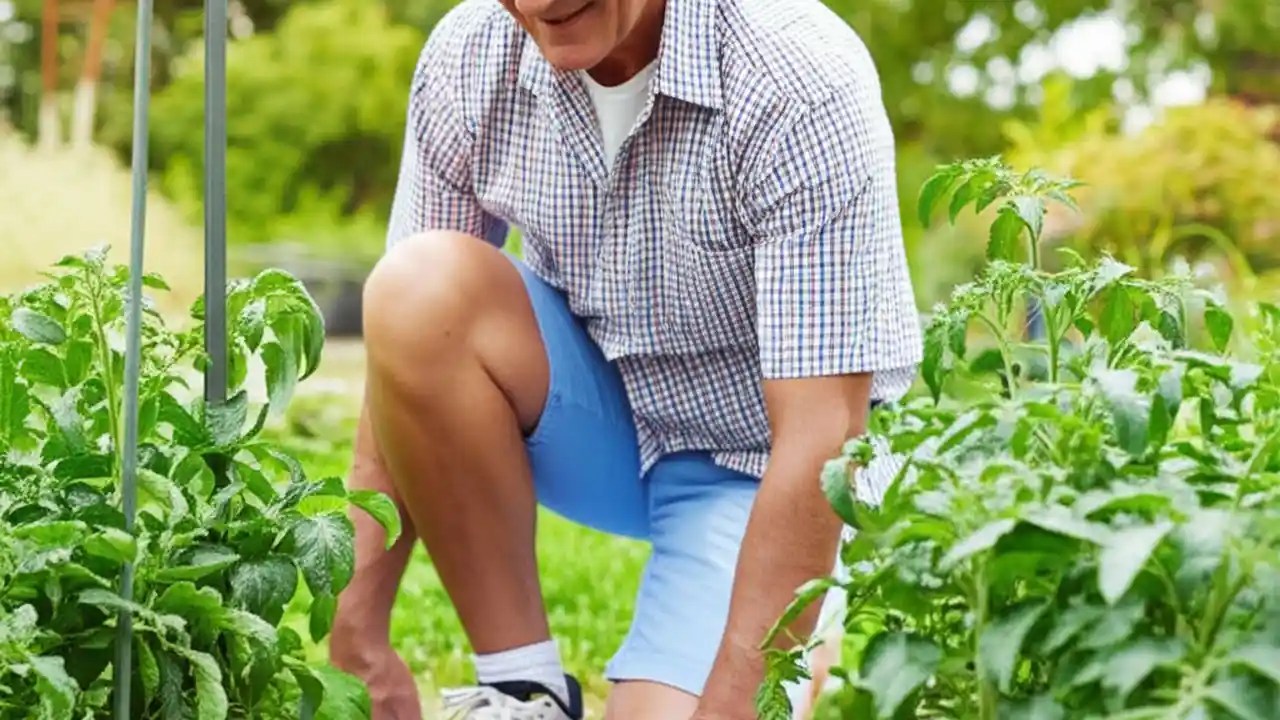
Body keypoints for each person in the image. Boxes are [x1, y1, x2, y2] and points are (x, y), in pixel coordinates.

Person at [328, 0, 922, 716]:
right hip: (610, 418)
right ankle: (523, 687)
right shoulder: (470, 55)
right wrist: (356, 641)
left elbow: (823, 436)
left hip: (767, 460)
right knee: (418, 287)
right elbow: (401, 372)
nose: (541, 5)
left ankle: (809, 611)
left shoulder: (796, 74)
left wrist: (739, 692)